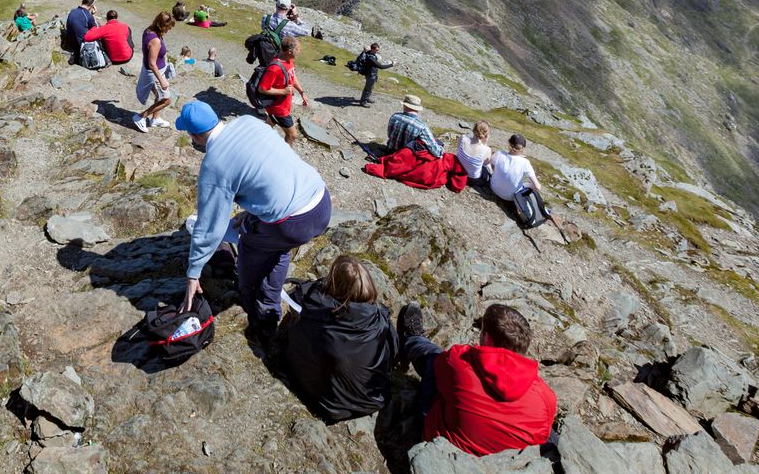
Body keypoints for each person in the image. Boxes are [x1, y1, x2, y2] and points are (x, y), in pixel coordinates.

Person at [178, 100, 331, 345]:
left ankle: (264, 326)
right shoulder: (248, 122)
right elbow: (269, 170)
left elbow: (209, 227)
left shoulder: (214, 163)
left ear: (194, 135)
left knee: (249, 269)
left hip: (290, 222)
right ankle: (271, 308)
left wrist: (193, 274)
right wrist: (253, 214)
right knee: (272, 246)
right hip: (321, 201)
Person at [398, 302, 556, 456]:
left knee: (434, 358)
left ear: (487, 339)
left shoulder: (459, 360)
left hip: (447, 454)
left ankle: (412, 338)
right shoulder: (546, 396)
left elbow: (442, 368)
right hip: (509, 463)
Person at [278, 254, 397, 422]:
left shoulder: (316, 312)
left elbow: (295, 346)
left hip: (326, 404)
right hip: (372, 400)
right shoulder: (379, 320)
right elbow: (393, 350)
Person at [258, 37, 310, 145]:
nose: (299, 52)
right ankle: (286, 158)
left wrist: (301, 92)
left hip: (283, 105)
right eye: (298, 49)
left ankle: (258, 143)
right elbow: (262, 88)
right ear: (290, 51)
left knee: (268, 125)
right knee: (292, 135)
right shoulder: (274, 68)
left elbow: (291, 74)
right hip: (278, 108)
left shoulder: (288, 60)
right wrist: (283, 92)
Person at [132, 11, 176, 132]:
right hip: (155, 74)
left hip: (158, 71)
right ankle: (140, 117)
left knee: (159, 96)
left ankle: (155, 118)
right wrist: (162, 81)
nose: (169, 30)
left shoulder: (148, 30)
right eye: (168, 27)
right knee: (166, 100)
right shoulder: (155, 40)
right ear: (162, 25)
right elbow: (152, 63)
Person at [489, 134, 541, 202]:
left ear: (509, 143)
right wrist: (528, 185)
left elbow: (492, 165)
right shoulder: (525, 163)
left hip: (493, 188)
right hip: (510, 197)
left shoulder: (499, 153)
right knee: (528, 185)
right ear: (522, 149)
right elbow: (537, 187)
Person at [354, 42, 394, 107]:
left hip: (372, 73)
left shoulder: (370, 53)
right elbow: (381, 66)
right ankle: (363, 102)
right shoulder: (370, 58)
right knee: (368, 88)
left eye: (378, 50)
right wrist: (392, 64)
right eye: (376, 50)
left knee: (371, 87)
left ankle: (367, 98)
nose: (377, 51)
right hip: (370, 74)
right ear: (372, 49)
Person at [456, 122, 493, 186]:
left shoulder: (463, 138)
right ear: (486, 135)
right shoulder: (487, 150)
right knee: (487, 169)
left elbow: (458, 147)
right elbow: (486, 163)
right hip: (472, 179)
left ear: (473, 130)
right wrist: (485, 144)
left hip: (457, 172)